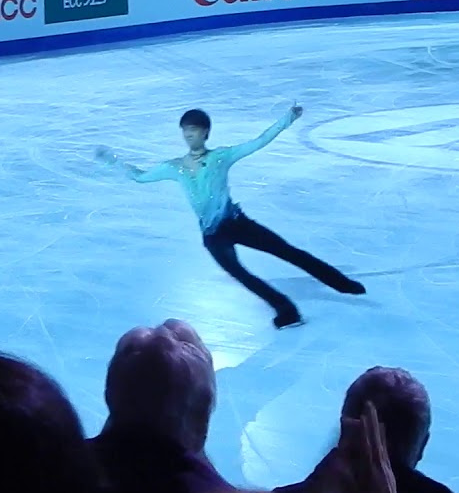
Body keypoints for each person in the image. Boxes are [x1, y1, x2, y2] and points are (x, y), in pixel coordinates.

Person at [97, 105, 365, 329]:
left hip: (238, 223)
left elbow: (257, 142)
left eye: (194, 130)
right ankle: (287, 311)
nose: (189, 135)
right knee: (239, 272)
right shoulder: (175, 167)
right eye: (185, 131)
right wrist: (113, 161)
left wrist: (286, 120)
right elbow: (140, 177)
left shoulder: (221, 157)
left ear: (206, 132)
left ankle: (342, 283)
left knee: (286, 251)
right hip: (212, 235)